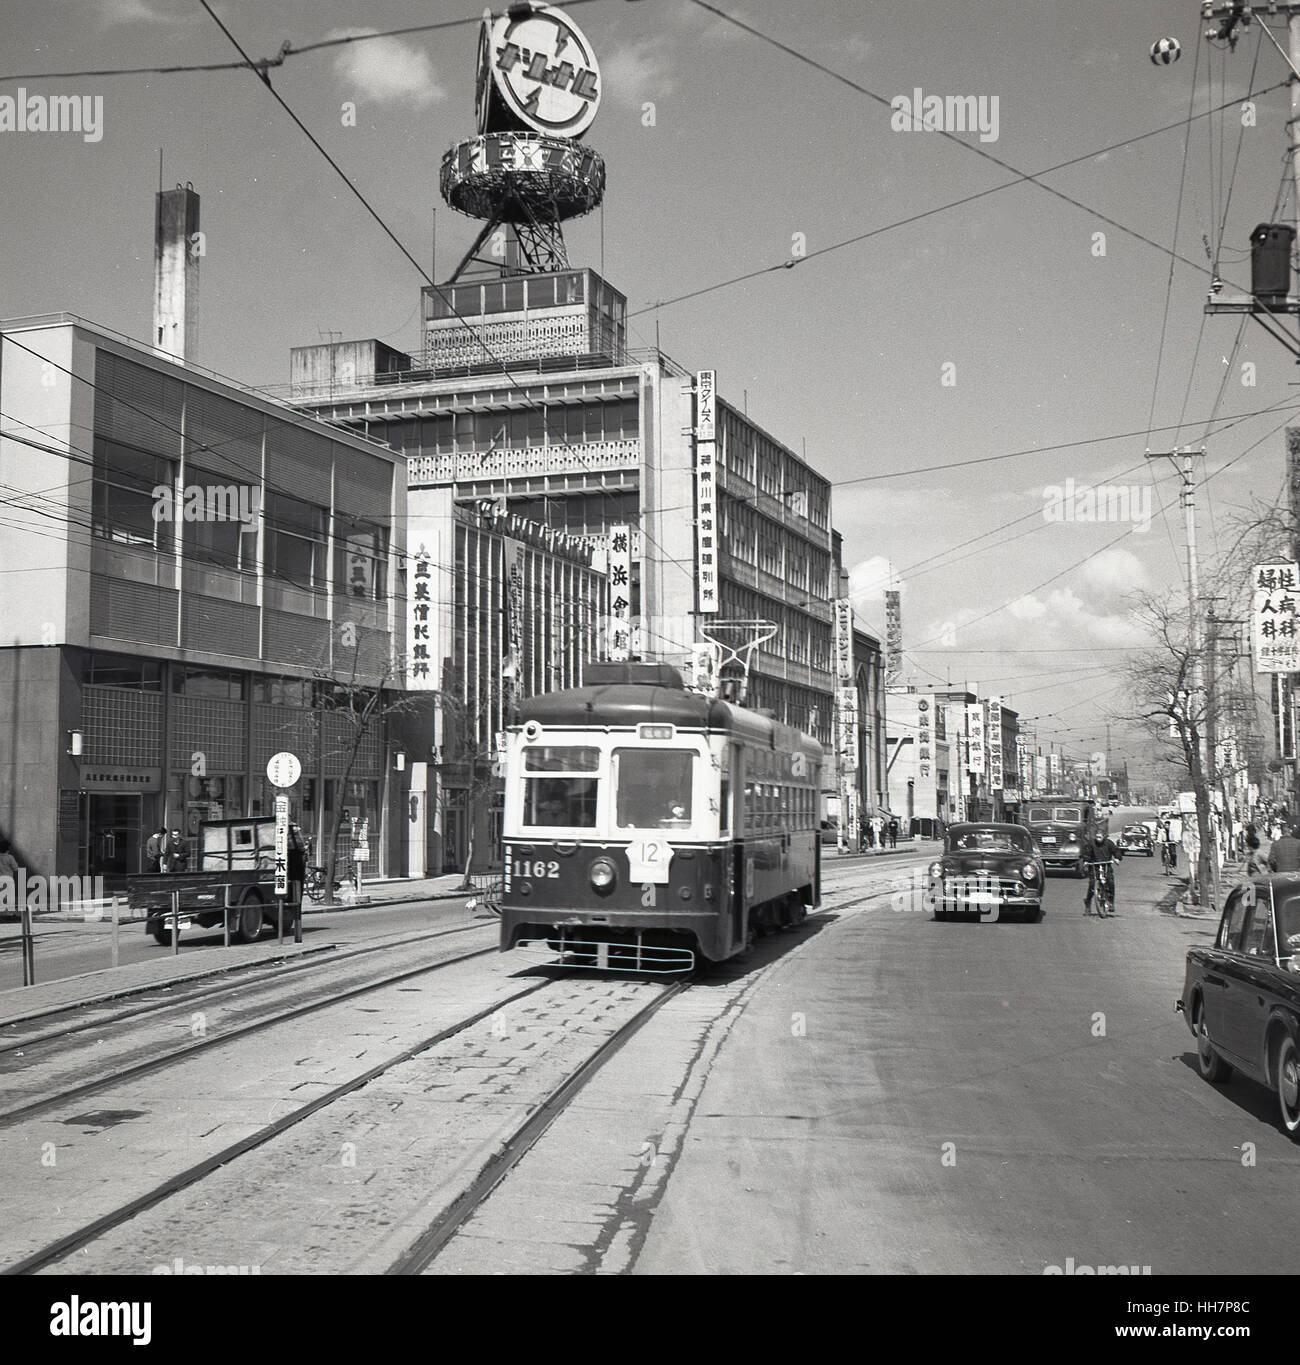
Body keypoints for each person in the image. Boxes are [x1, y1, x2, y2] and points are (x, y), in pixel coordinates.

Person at [1083, 828, 1125, 915]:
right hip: (1094, 866)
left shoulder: (1108, 843)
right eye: (1097, 837)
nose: (1098, 839)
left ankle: (1111, 902)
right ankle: (1088, 902)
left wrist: (1117, 858)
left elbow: (1116, 851)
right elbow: (1086, 853)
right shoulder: (1091, 844)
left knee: (1110, 882)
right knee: (1092, 885)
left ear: (1104, 837)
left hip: (1106, 866)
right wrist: (1086, 861)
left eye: (1100, 837)